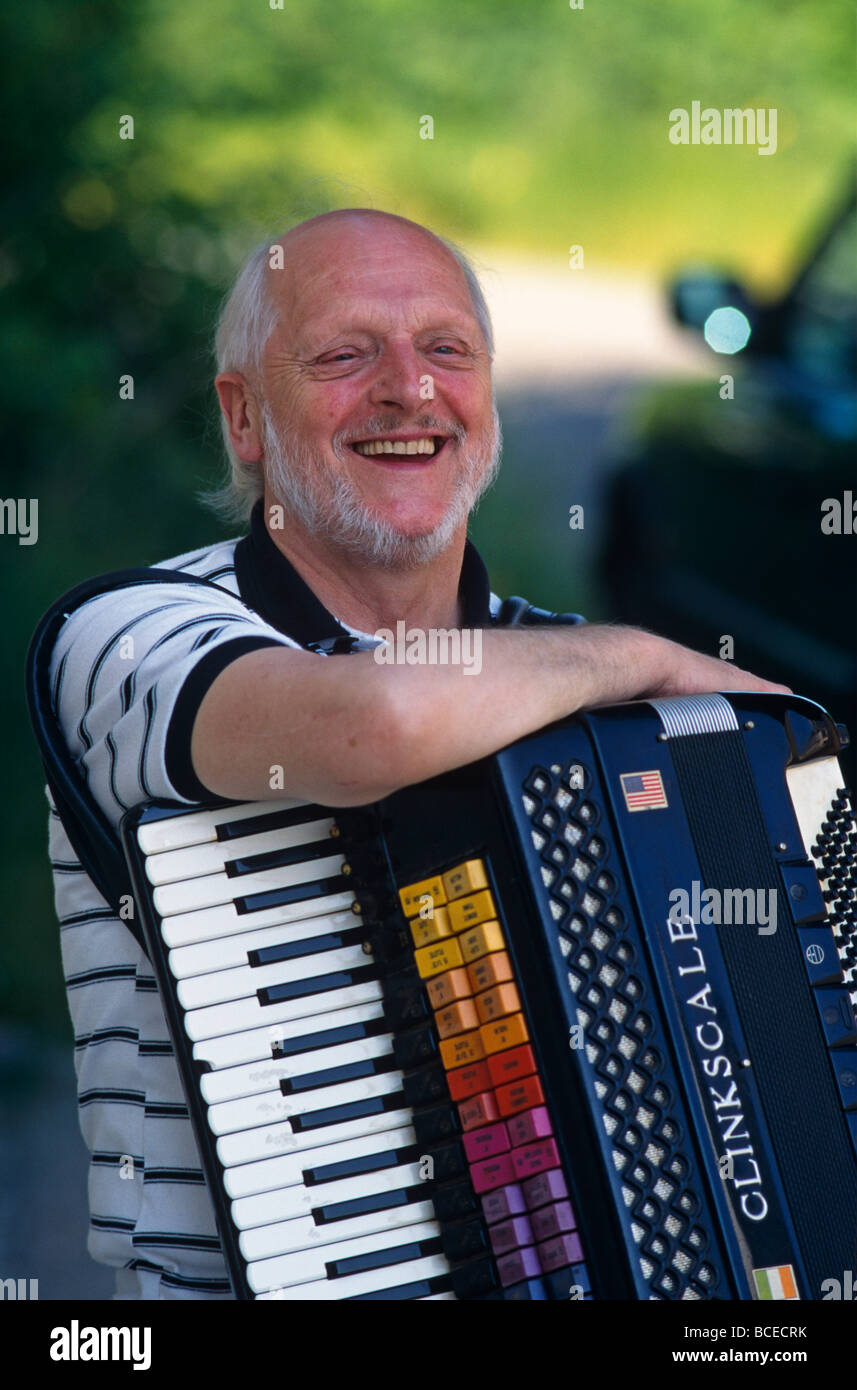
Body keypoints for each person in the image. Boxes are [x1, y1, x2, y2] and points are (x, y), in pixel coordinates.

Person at [39, 208, 788, 1300]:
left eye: (446, 350)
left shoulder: (572, 677)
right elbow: (374, 727)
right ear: (244, 418)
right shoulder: (124, 632)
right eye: (344, 356)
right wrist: (635, 650)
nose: (409, 389)